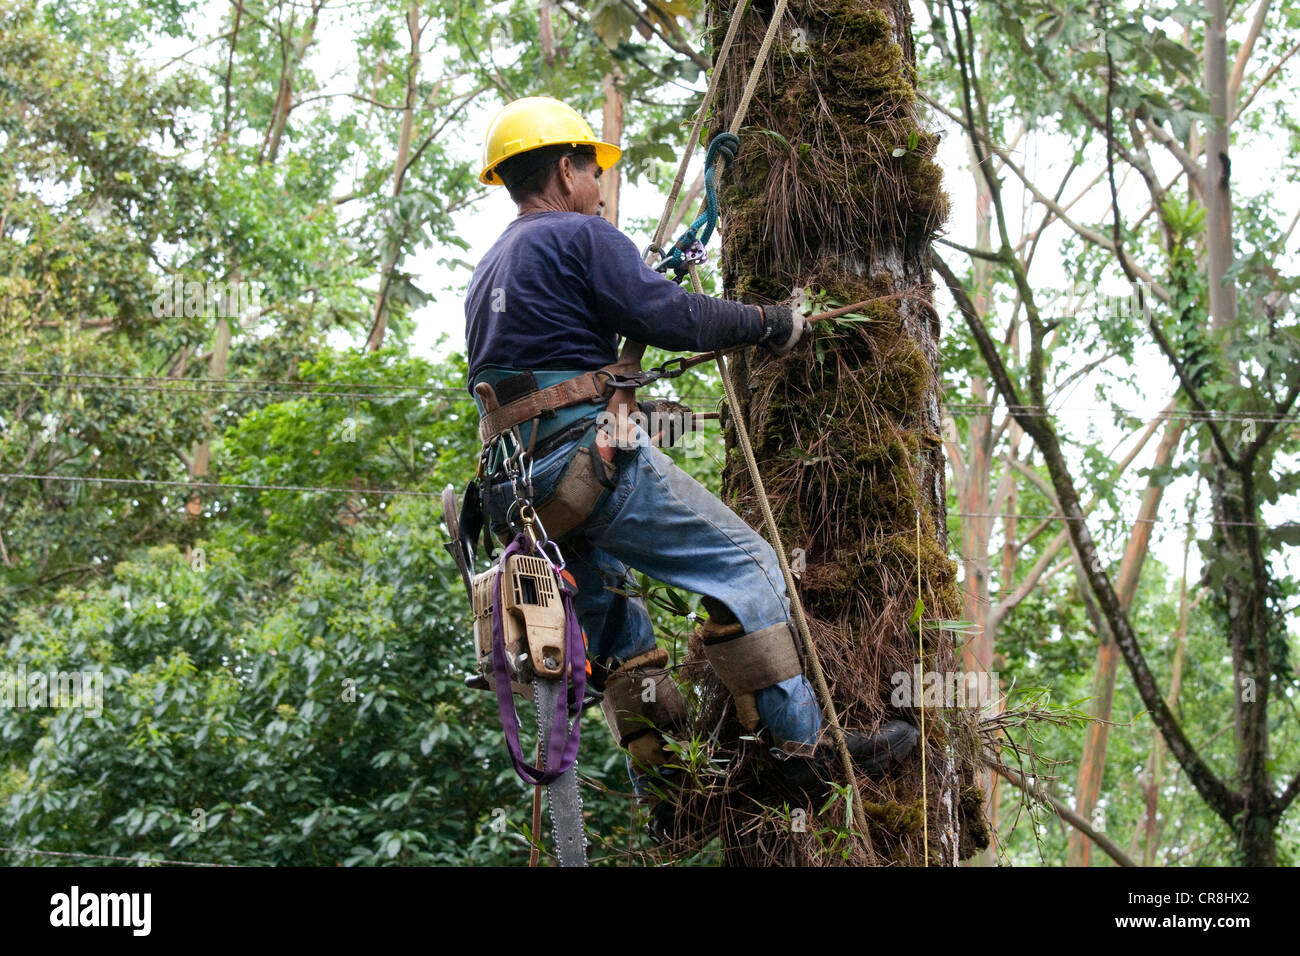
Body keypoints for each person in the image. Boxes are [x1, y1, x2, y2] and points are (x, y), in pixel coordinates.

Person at [464, 96, 916, 829]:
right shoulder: (582, 236)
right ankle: (807, 751)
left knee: (618, 635)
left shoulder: (490, 270)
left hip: (523, 494)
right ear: (564, 168)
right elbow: (671, 317)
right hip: (584, 462)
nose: (601, 188)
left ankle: (670, 798)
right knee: (752, 566)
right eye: (593, 171)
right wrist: (770, 323)